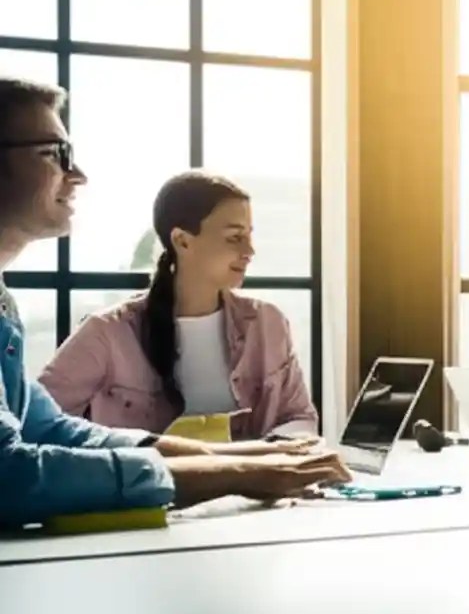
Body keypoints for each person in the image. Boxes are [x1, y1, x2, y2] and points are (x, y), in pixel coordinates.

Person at [0, 77, 349, 524]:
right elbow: (8, 475)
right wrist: (235, 472)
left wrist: (235, 460)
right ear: (182, 241)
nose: (79, 174)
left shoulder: (3, 306)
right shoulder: (108, 330)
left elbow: (48, 427)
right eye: (55, 153)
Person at [40, 170, 317, 440]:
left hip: (258, 484)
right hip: (151, 486)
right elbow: (35, 422)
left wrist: (274, 451)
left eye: (249, 235)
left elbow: (299, 417)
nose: (249, 251)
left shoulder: (268, 323)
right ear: (182, 240)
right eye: (235, 237)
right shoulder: (106, 334)